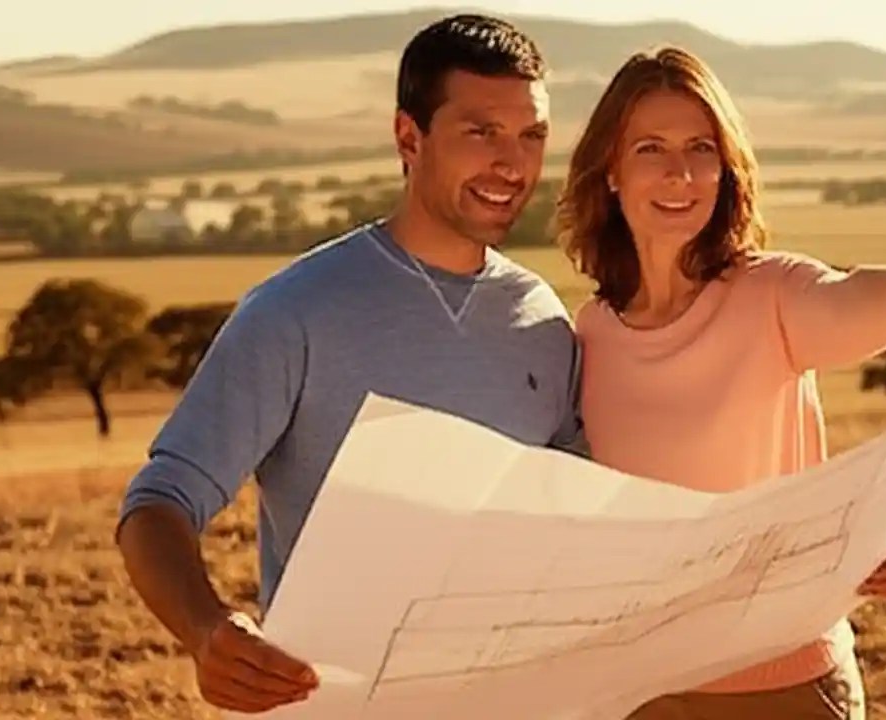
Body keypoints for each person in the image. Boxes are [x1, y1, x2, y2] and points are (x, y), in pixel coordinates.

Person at [113, 14, 584, 716]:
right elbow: (157, 503)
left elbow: (579, 518)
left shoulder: (542, 318)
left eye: (532, 136)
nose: (513, 165)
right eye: (481, 132)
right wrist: (207, 628)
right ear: (408, 137)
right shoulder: (294, 311)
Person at [555, 47, 886, 719]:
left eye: (700, 148)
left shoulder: (771, 294)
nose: (679, 172)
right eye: (650, 148)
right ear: (611, 172)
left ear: (725, 167)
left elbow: (852, 297)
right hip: (643, 690)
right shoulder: (588, 334)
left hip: (783, 688)